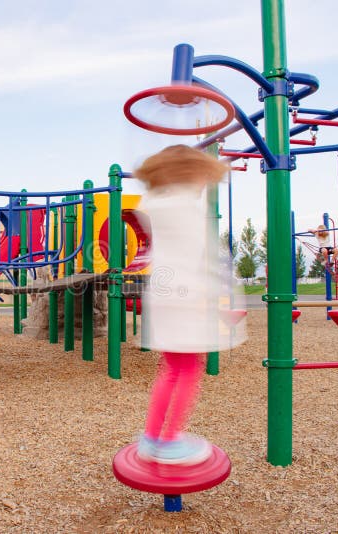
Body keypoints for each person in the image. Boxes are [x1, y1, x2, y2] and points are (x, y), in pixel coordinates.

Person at [134, 145, 246, 465]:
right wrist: (214, 296)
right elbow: (202, 258)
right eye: (201, 178)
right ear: (189, 175)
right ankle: (169, 441)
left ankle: (152, 436)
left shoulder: (152, 206)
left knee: (171, 369)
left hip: (163, 295)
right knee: (189, 369)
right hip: (187, 296)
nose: (203, 185)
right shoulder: (188, 211)